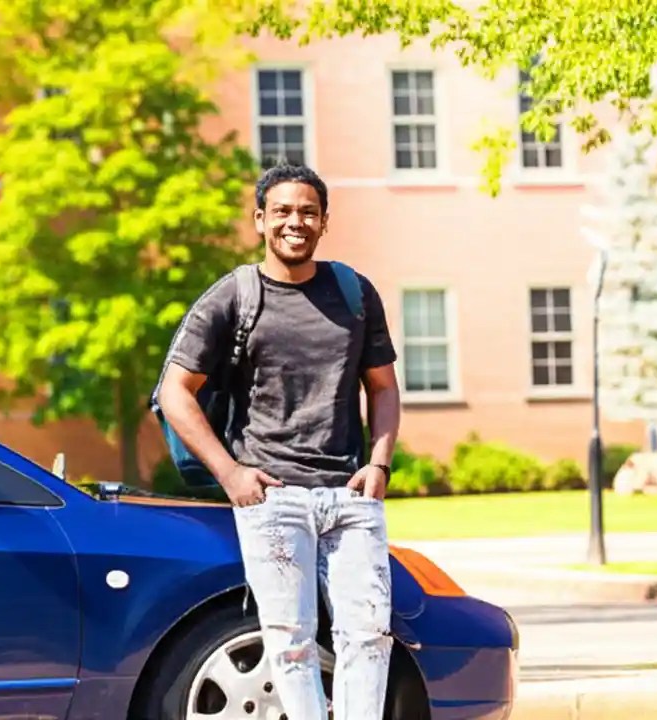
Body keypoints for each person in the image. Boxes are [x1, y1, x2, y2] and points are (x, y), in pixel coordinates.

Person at [157, 163, 401, 719]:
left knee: (369, 637)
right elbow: (175, 392)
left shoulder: (354, 294)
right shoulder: (233, 297)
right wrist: (231, 473)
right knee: (290, 642)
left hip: (351, 497)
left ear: (324, 222)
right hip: (271, 499)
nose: (297, 222)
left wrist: (380, 466)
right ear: (260, 220)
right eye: (284, 211)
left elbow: (383, 388)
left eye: (309, 212)